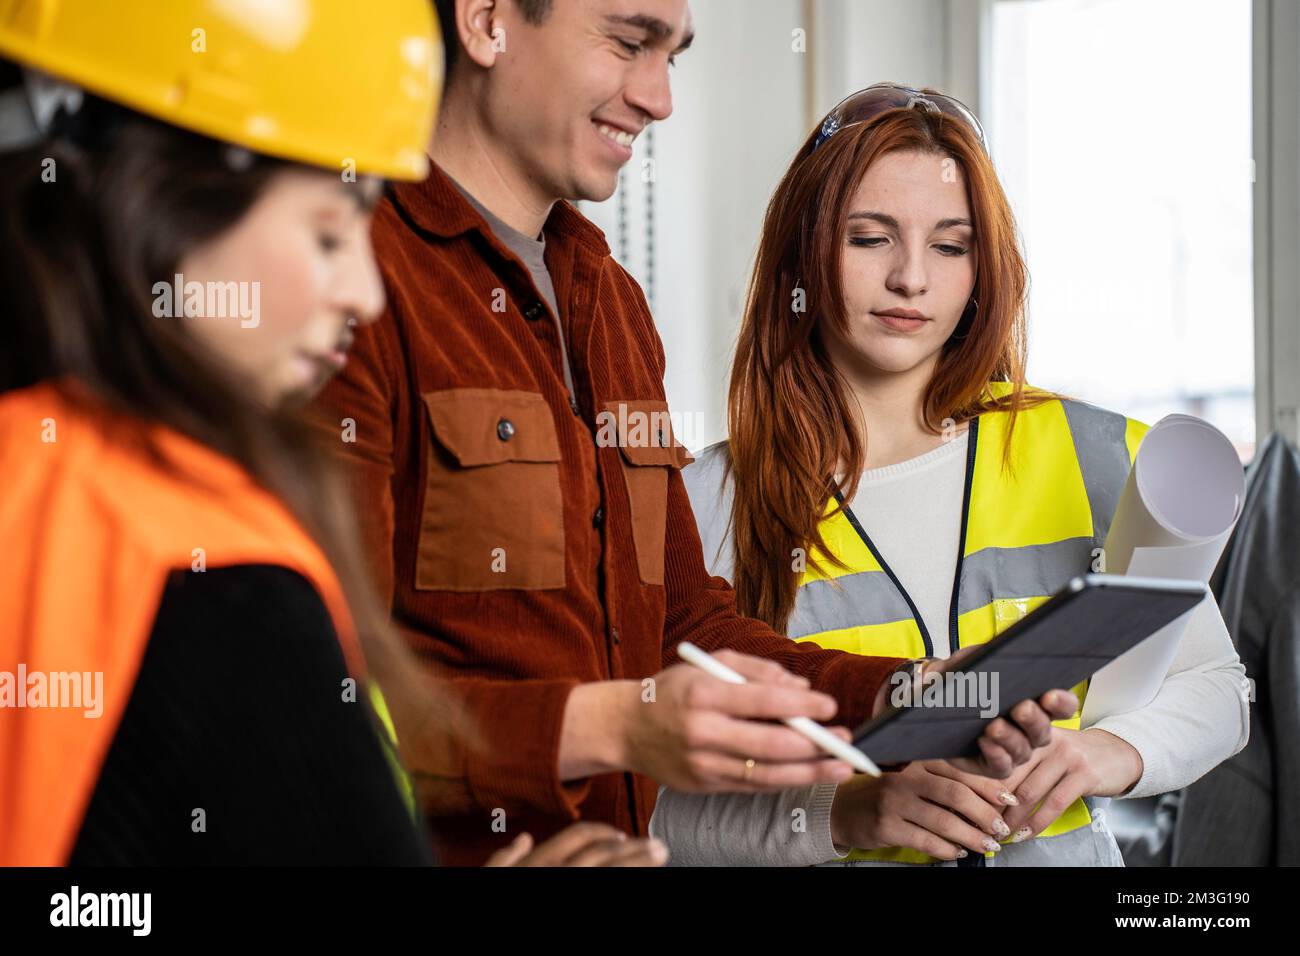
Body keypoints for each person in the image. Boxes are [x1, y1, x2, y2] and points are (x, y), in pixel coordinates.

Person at [312, 1, 1078, 866]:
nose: (660, 96)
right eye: (630, 42)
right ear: (486, 20)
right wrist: (617, 725)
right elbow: (318, 701)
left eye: (673, 54)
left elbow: (685, 623)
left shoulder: (609, 302)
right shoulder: (348, 282)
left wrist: (909, 693)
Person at [0, 0, 662, 868]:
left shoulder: (41, 464)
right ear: (162, 205)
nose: (366, 290)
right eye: (327, 230)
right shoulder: (216, 568)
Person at [647, 84, 1251, 866]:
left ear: (983, 268)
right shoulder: (705, 504)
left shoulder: (1093, 454)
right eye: (869, 238)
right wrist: (848, 814)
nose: (910, 279)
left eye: (951, 245)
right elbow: (652, 807)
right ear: (804, 250)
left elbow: (1220, 687)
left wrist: (1106, 752)